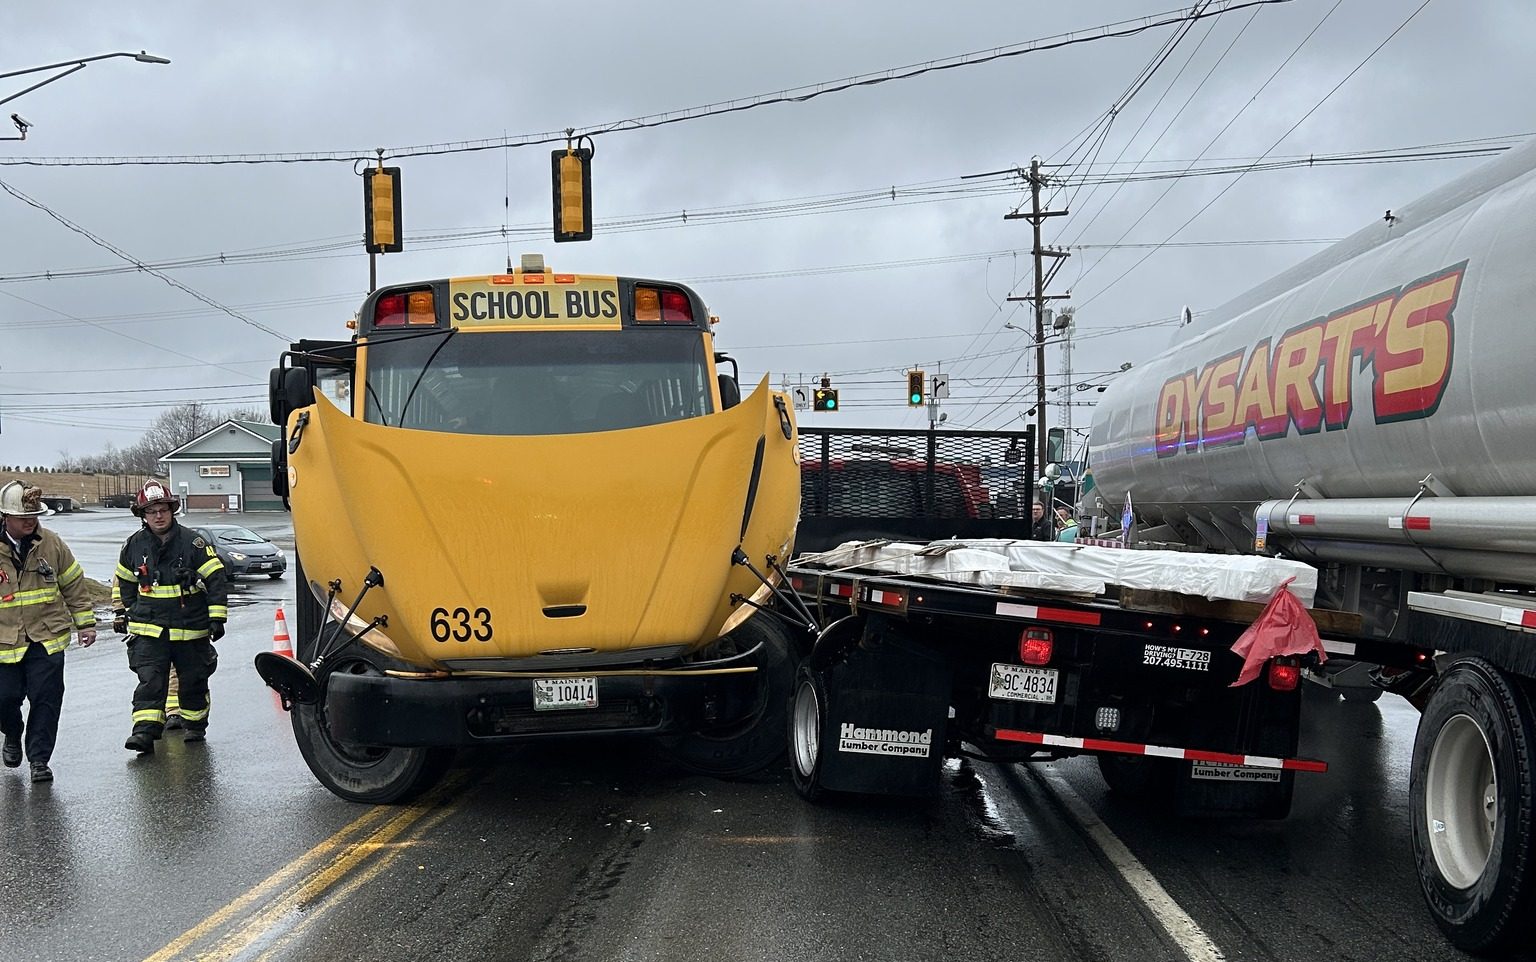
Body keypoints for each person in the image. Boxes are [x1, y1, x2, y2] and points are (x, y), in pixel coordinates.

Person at [112, 479, 228, 754]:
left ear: (172, 510)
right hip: (150, 631)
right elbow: (125, 582)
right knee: (150, 681)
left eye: (163, 509)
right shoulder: (133, 546)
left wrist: (217, 617)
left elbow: (216, 579)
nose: (158, 516)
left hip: (190, 629)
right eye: (151, 511)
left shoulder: (193, 542)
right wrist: (129, 612)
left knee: (193, 682)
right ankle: (144, 733)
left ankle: (195, 726)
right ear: (143, 515)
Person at [0, 481, 97, 783]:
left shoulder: (52, 544)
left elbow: (73, 583)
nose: (30, 522)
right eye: (22, 518)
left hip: (47, 639)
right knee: (5, 699)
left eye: (34, 516)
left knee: (46, 700)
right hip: (4, 642)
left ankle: (39, 760)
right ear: (5, 517)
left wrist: (86, 623)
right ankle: (13, 733)